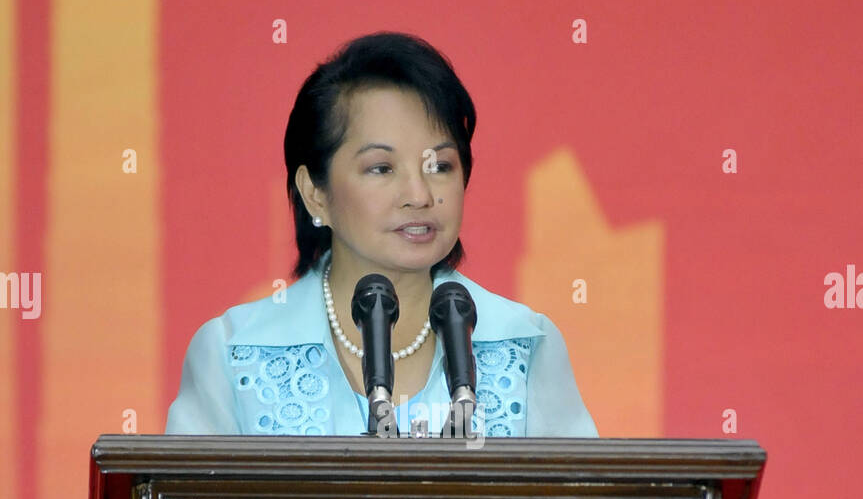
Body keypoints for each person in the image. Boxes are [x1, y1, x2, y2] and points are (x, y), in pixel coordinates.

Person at [165, 32, 597, 438]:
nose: (419, 195)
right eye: (381, 168)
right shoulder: (232, 354)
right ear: (315, 194)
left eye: (440, 166)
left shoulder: (523, 346)